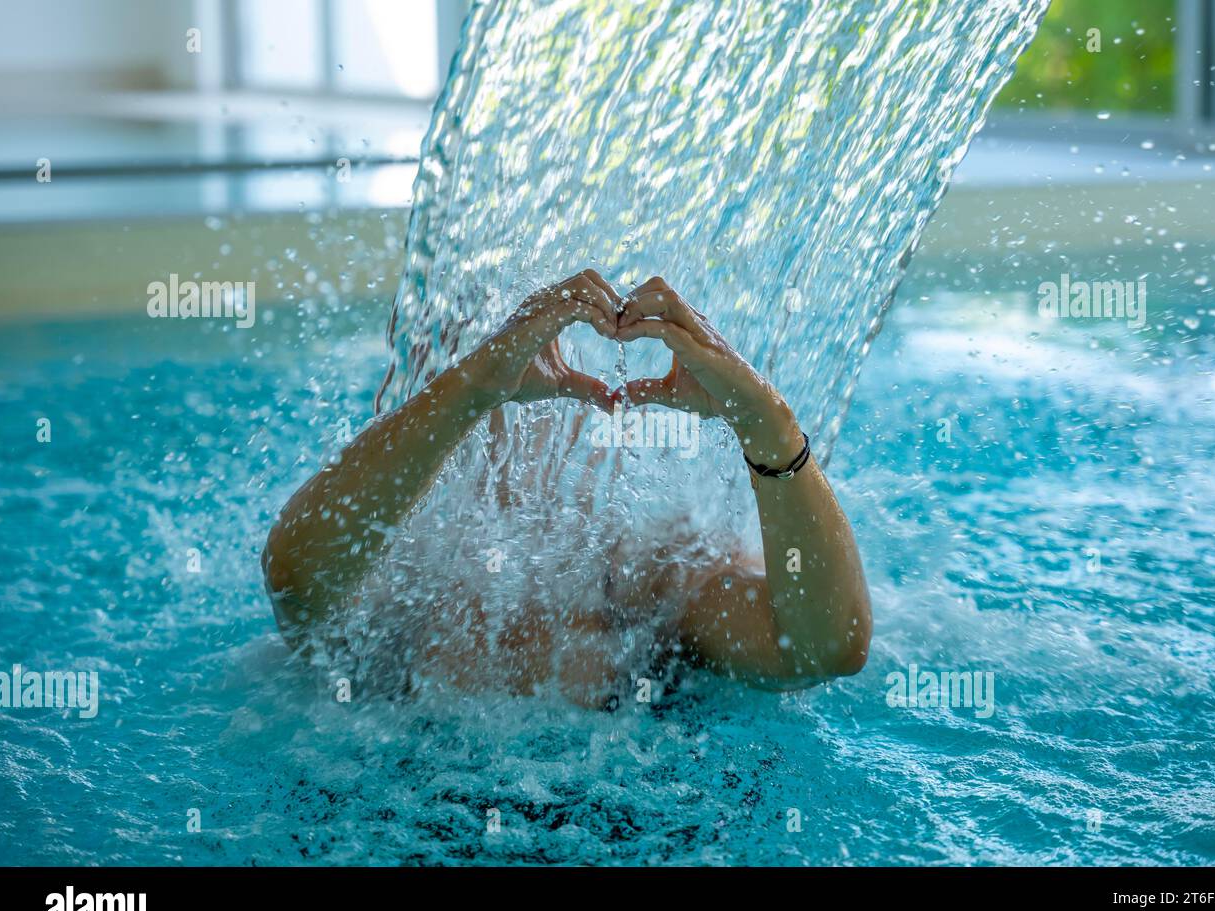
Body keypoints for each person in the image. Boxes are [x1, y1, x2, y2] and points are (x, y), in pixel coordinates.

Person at [261, 270, 870, 708]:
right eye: (467, 399)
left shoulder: (645, 576)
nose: (501, 423)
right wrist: (471, 389)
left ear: (578, 410)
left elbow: (822, 648)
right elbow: (295, 579)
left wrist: (767, 426)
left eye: (520, 384)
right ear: (400, 414)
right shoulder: (395, 587)